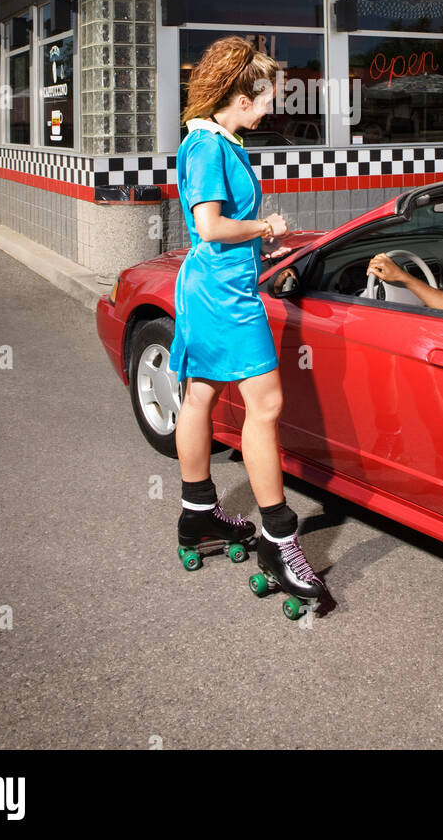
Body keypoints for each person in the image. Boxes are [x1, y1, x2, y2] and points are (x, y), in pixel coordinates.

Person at [169, 34, 327, 605]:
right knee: (265, 406)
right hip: (222, 295)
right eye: (263, 98)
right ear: (238, 95)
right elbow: (210, 226)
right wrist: (266, 229)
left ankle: (198, 517)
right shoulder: (210, 148)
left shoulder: (211, 140)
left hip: (213, 284)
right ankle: (278, 542)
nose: (269, 107)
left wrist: (261, 249)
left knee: (202, 394)